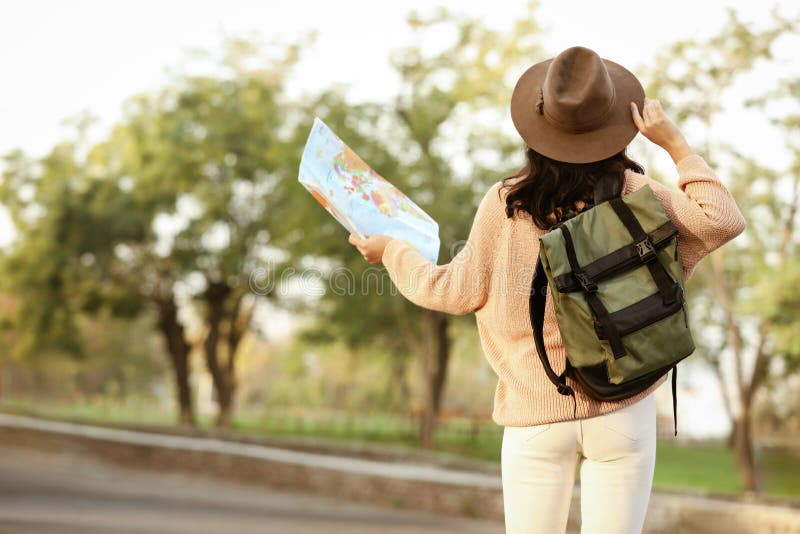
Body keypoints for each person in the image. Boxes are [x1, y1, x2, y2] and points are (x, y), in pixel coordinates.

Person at [348, 46, 746, 534]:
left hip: (536, 416)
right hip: (624, 407)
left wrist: (392, 251)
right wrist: (675, 144)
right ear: (614, 126)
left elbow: (450, 290)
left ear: (538, 128)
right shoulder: (638, 194)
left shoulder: (506, 204)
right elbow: (722, 219)